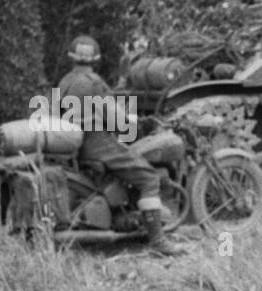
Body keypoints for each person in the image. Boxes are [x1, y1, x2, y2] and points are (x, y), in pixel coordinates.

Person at [56, 35, 185, 256]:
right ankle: (157, 241)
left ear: (72, 57)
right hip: (98, 143)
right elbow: (118, 120)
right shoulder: (94, 82)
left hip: (76, 143)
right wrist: (137, 124)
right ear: (95, 58)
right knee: (149, 178)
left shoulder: (65, 81)